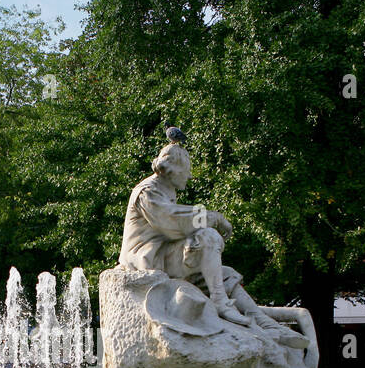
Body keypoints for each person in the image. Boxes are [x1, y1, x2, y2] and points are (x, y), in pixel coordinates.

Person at [120, 137, 310, 350]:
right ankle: (220, 301)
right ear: (172, 169)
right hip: (149, 260)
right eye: (187, 171)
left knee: (223, 273)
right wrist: (212, 217)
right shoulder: (147, 191)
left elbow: (177, 223)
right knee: (208, 237)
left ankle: (266, 324)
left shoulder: (165, 190)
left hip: (165, 256)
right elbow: (171, 221)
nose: (189, 176)